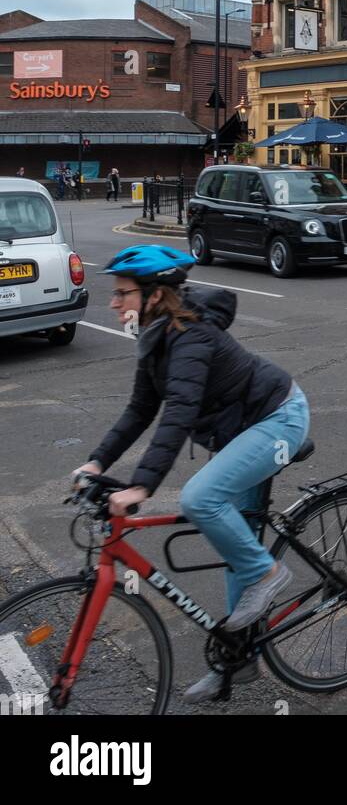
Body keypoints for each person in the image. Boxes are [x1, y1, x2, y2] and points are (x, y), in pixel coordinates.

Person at [72, 244, 310, 703]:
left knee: (200, 499)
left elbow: (178, 411)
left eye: (122, 293)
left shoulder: (192, 337)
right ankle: (237, 664)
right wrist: (97, 462)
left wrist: (142, 484)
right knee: (234, 551)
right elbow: (141, 409)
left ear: (155, 296)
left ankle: (269, 574)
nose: (113, 303)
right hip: (239, 431)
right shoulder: (157, 336)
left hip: (278, 419)